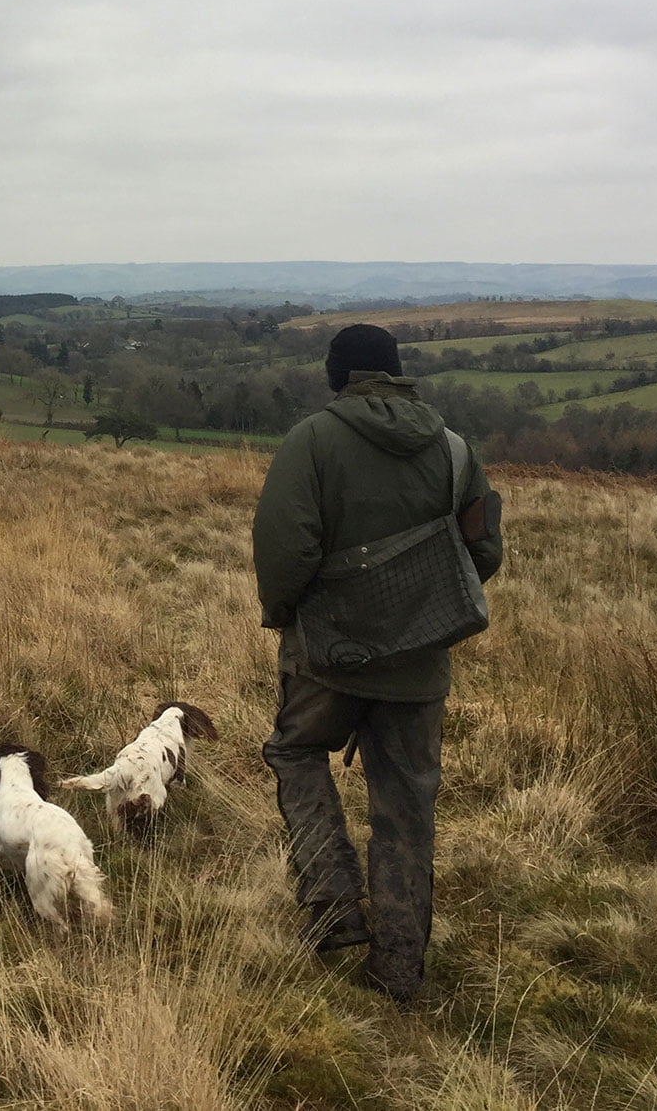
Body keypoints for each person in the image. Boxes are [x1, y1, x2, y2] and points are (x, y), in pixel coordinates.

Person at [251, 323, 503, 1004]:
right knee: (407, 809)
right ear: (397, 373)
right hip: (418, 669)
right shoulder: (454, 451)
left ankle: (332, 904)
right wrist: (421, 611)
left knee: (297, 752)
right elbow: (483, 554)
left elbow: (285, 552)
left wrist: (288, 616)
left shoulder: (310, 441)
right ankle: (398, 972)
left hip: (328, 659)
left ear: (339, 376)